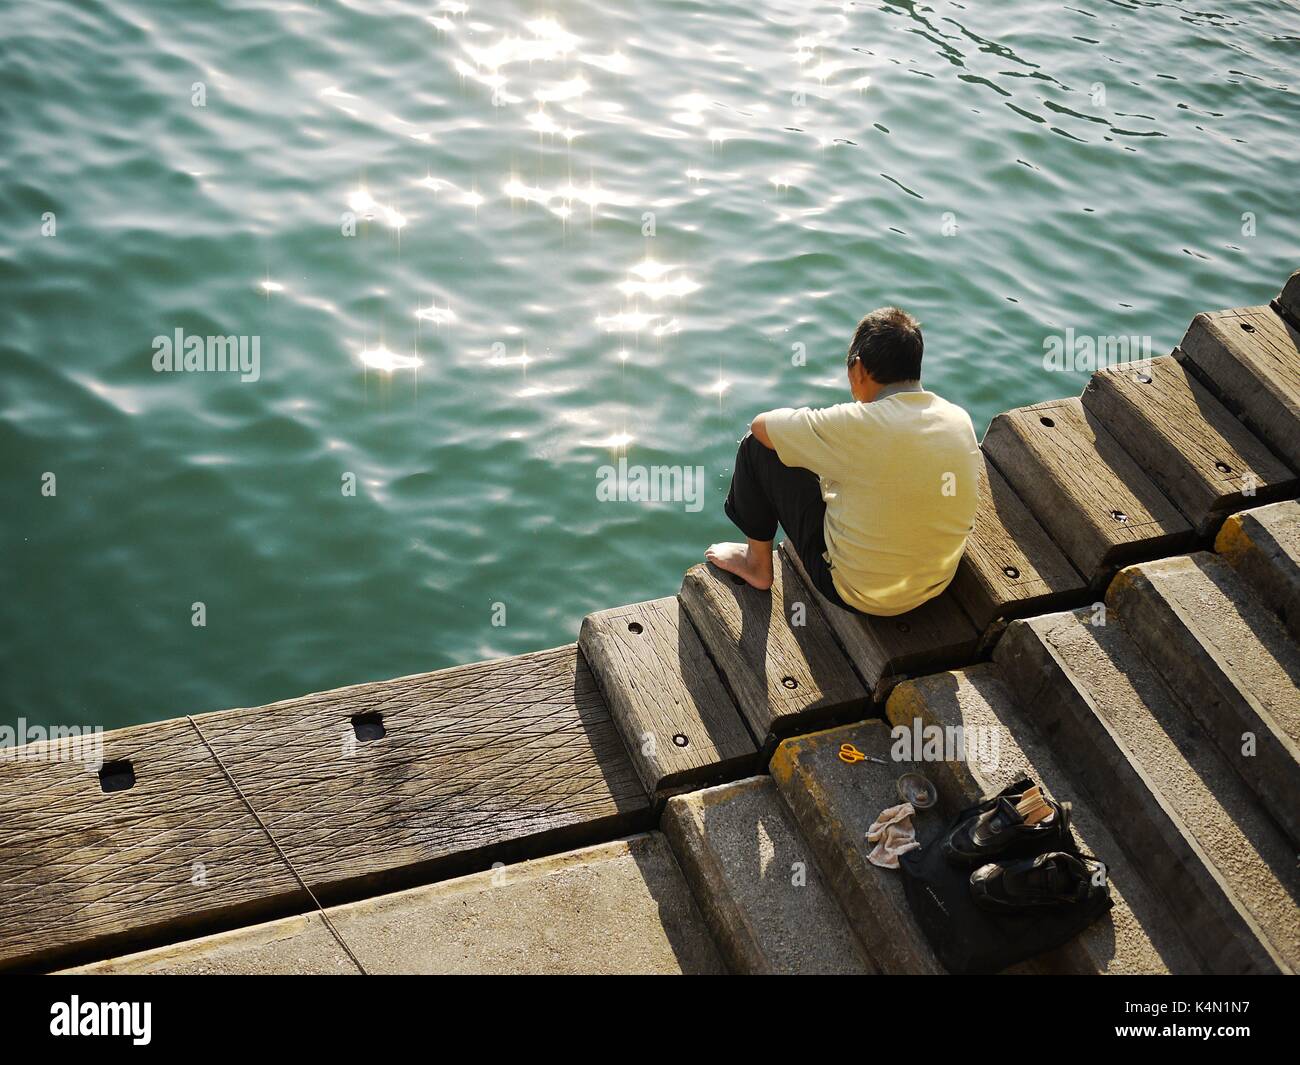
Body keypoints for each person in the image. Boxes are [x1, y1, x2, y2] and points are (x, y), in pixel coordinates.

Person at [706, 306, 980, 617]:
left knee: (758, 448)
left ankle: (756, 565)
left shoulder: (857, 425)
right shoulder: (958, 418)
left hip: (863, 595)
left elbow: (762, 427)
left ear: (858, 369)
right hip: (936, 583)